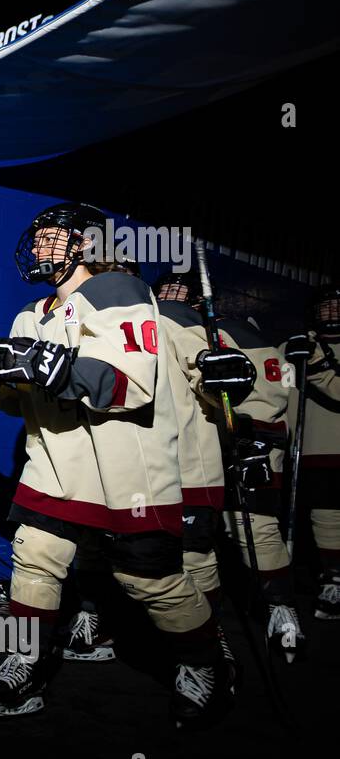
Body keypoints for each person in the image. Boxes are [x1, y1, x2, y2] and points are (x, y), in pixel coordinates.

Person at [0, 203, 232, 728]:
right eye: (41, 237)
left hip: (124, 469)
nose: (42, 246)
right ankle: (27, 660)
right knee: (34, 557)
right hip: (55, 463)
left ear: (88, 245)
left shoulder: (119, 293)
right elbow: (23, 402)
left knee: (151, 581)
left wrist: (46, 364)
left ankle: (204, 661)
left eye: (55, 237)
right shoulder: (31, 314)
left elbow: (131, 385)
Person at [152, 269, 256, 685]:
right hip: (145, 468)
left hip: (192, 466)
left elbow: (221, 396)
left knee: (194, 555)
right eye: (166, 289)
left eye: (180, 291)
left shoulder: (197, 329)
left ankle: (209, 635)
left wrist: (225, 384)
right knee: (141, 561)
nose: (171, 295)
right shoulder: (136, 321)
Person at [212, 306, 303, 660]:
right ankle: (203, 631)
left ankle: (281, 611)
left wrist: (250, 431)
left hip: (244, 446)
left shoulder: (227, 332)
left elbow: (271, 399)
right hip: (206, 451)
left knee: (255, 527)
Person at [283, 286, 340, 620]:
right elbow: (279, 392)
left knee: (332, 516)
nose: (330, 314)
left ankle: (335, 578)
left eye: (337, 307)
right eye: (325, 308)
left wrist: (317, 363)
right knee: (318, 517)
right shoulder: (294, 345)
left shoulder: (315, 352)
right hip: (304, 450)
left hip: (334, 446)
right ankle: (325, 576)